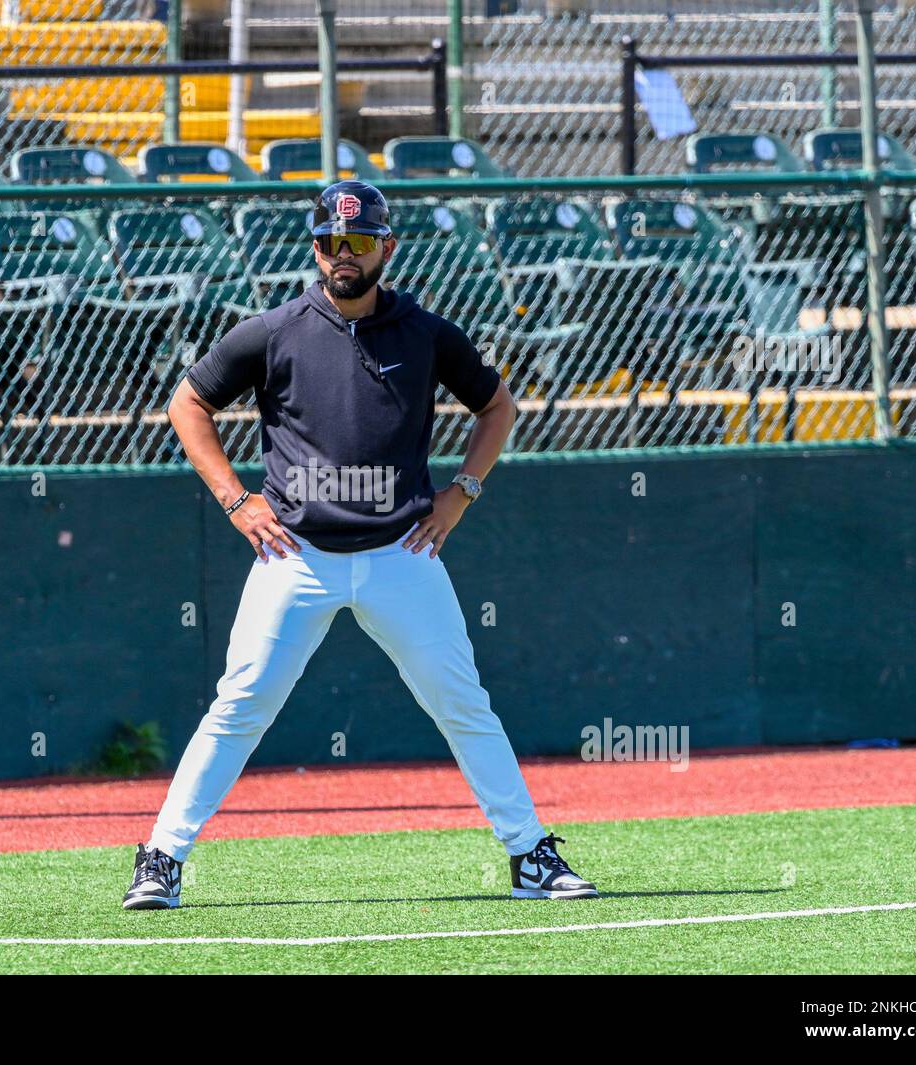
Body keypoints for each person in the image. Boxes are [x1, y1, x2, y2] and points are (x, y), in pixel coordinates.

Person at [124, 180, 596, 910]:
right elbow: (188, 401)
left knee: (463, 704)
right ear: (315, 248)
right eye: (330, 241)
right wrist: (236, 499)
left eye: (358, 241)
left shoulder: (426, 332)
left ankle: (530, 854)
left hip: (401, 554)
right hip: (295, 556)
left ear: (387, 247)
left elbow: (497, 405)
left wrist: (462, 491)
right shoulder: (273, 330)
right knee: (240, 705)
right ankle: (161, 859)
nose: (342, 253)